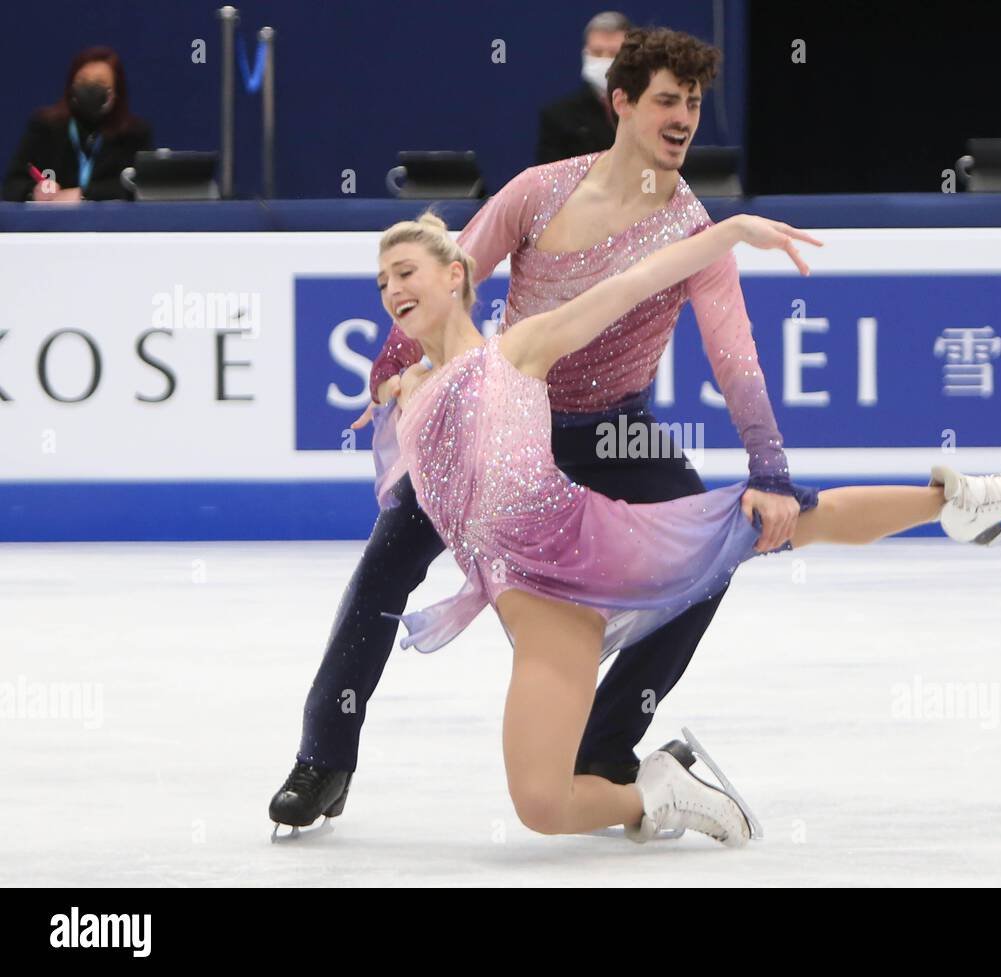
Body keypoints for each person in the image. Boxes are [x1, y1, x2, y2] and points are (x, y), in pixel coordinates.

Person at [361, 209, 1001, 846]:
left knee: (778, 516)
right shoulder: (403, 393)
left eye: (406, 270)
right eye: (382, 281)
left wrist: (727, 234)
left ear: (456, 274)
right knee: (542, 804)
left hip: (590, 544)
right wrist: (390, 392)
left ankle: (961, 500)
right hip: (532, 598)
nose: (393, 289)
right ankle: (662, 794)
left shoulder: (518, 350)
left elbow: (632, 284)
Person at [270, 27, 807, 833]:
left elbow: (736, 359)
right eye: (667, 98)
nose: (684, 116)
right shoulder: (538, 191)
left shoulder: (696, 230)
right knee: (386, 567)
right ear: (621, 104)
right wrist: (390, 368)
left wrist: (769, 469)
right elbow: (451, 273)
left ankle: (606, 746)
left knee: (713, 553)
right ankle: (324, 758)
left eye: (693, 103)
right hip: (499, 429)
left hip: (615, 432)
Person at [2, 46, 153, 202]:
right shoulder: (45, 127)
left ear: (115, 93)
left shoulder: (133, 133)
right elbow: (12, 185)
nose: (90, 89)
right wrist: (33, 192)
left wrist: (83, 194)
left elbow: (140, 186)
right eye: (83, 81)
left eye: (100, 83)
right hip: (52, 223)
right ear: (71, 87)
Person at [535, 11, 629, 164]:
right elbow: (549, 181)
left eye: (614, 53)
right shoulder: (559, 117)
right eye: (597, 53)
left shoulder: (648, 110)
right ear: (585, 54)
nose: (605, 60)